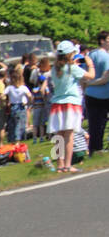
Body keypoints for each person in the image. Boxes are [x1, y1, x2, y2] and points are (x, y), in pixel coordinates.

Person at [48, 40, 107, 172]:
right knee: (69, 135)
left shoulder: (54, 69)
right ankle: (68, 165)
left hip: (56, 103)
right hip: (70, 103)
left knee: (58, 136)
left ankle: (59, 165)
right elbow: (90, 76)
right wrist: (90, 65)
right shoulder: (72, 68)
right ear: (70, 54)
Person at [84, 31, 109, 155]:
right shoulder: (105, 56)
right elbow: (105, 79)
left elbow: (84, 76)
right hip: (104, 95)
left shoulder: (90, 54)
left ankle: (94, 149)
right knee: (100, 124)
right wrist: (91, 83)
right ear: (102, 41)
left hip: (90, 94)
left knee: (93, 124)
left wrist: (87, 85)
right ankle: (98, 149)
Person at [3, 70, 32, 143]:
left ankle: (12, 140)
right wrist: (28, 103)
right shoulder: (23, 87)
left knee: (12, 124)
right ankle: (17, 140)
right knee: (20, 124)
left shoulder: (9, 87)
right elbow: (30, 96)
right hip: (21, 106)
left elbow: (2, 95)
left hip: (13, 106)